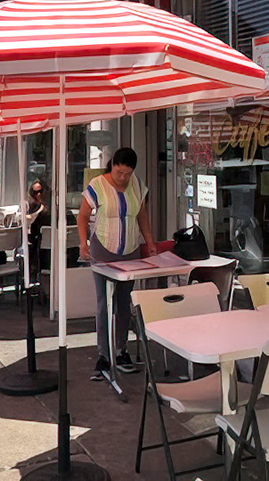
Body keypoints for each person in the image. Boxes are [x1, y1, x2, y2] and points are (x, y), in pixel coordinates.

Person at [77, 147, 156, 380]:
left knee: (123, 302)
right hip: (103, 249)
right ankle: (103, 354)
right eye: (119, 172)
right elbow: (83, 216)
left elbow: (142, 215)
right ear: (112, 166)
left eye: (127, 174)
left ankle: (121, 351)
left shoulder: (137, 186)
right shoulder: (97, 185)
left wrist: (150, 242)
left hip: (130, 250)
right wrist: (83, 243)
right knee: (104, 302)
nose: (123, 178)